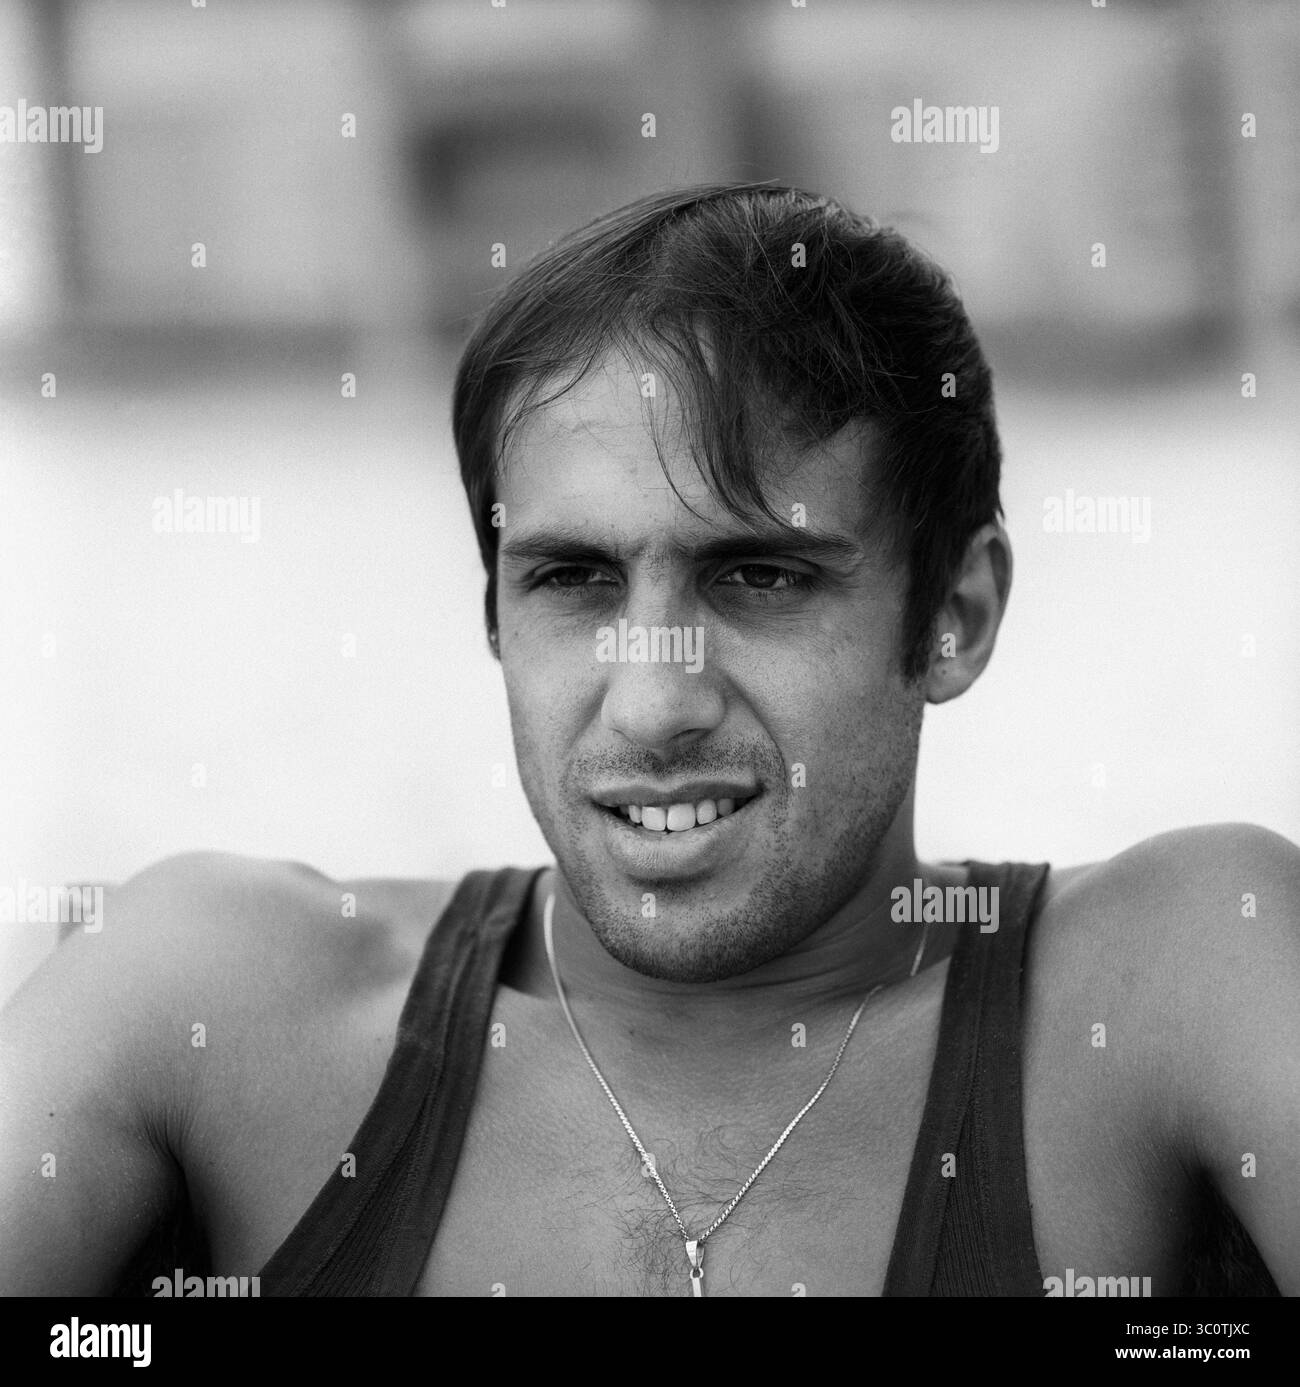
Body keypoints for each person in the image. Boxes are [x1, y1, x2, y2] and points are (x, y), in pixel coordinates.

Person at [3, 183, 1295, 1298]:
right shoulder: (217, 1000)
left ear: (953, 615)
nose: (652, 704)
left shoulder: (1173, 981)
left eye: (760, 579)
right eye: (574, 582)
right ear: (497, 616)